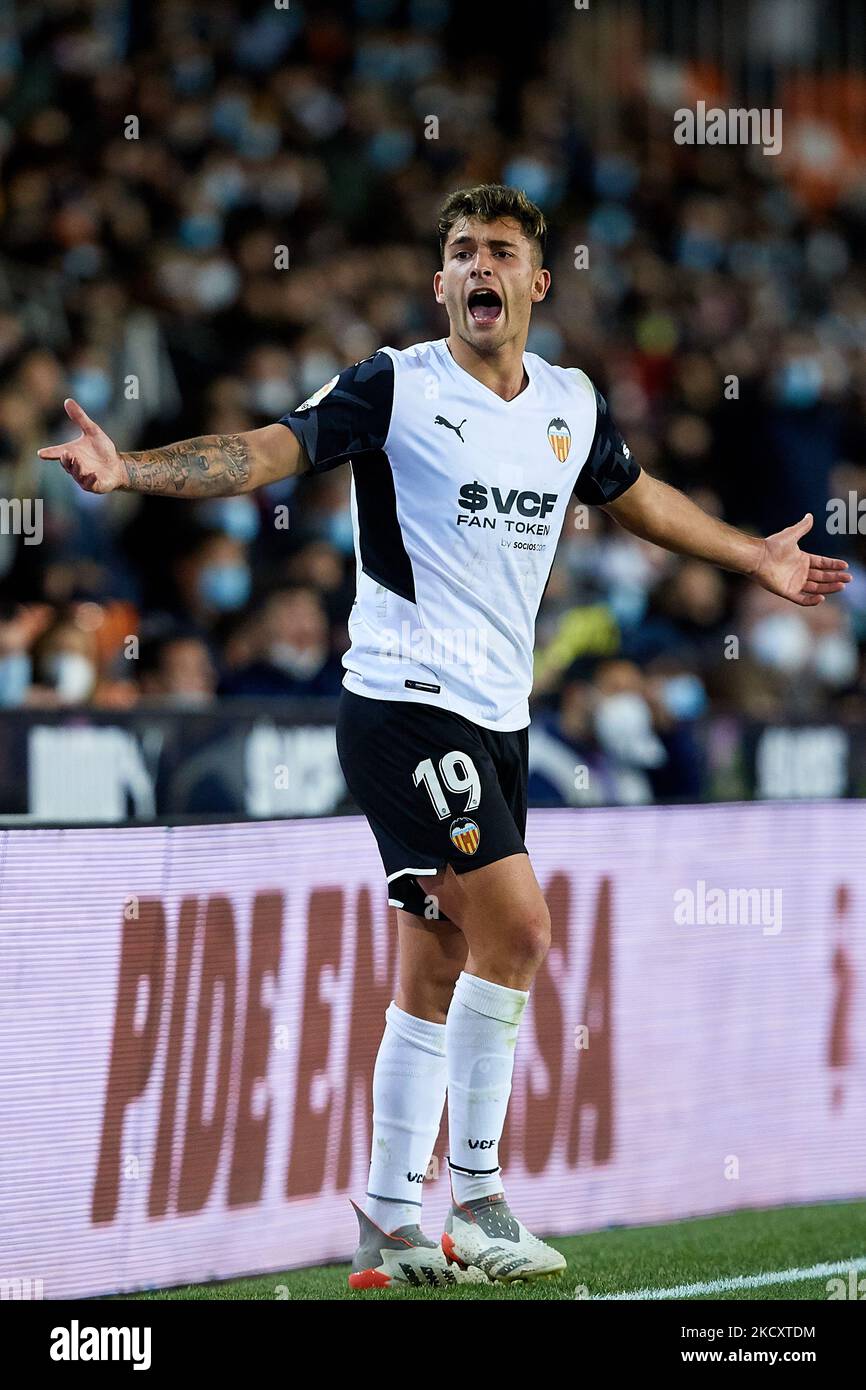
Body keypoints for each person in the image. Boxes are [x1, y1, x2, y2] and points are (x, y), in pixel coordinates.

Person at [39, 183, 851, 1289]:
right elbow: (267, 451)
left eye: (500, 251)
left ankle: (384, 1217)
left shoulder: (565, 402)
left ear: (534, 280)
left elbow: (634, 493)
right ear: (440, 283)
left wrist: (749, 556)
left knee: (437, 963)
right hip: (401, 699)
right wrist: (131, 468)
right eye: (461, 251)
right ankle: (475, 1197)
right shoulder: (394, 384)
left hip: (496, 718)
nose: (480, 267)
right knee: (516, 924)